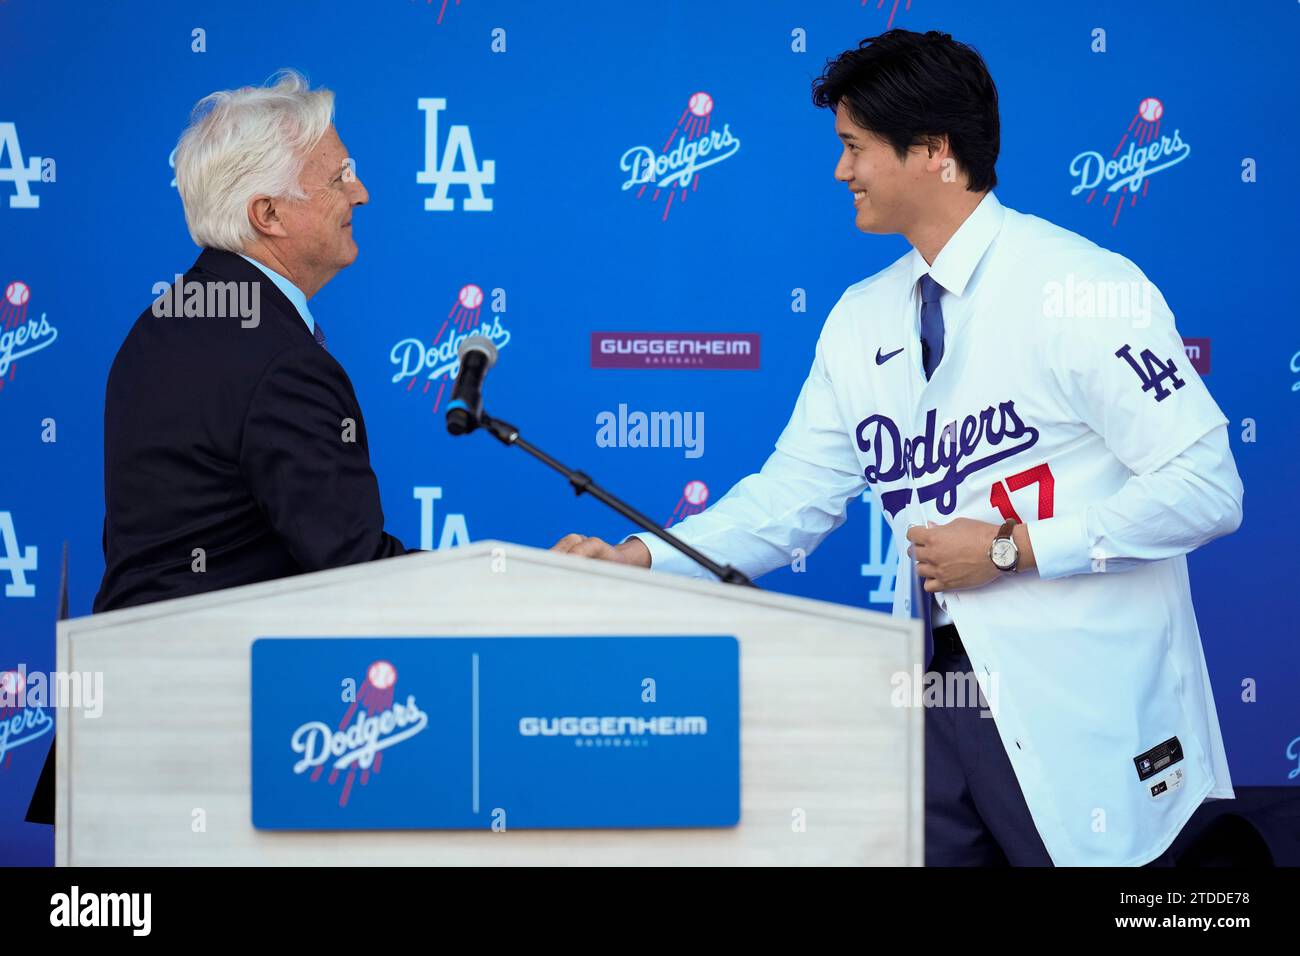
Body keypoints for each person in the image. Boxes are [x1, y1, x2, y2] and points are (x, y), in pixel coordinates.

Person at [552, 30, 1244, 867]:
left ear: (934, 152)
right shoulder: (860, 317)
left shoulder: (1080, 287)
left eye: (854, 147)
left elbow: (1207, 485)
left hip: (1091, 701)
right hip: (943, 698)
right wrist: (646, 559)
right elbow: (791, 498)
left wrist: (1010, 547)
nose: (840, 171)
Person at [94, 70, 412, 613]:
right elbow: (357, 574)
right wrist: (525, 580)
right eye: (339, 178)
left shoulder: (160, 324)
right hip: (227, 685)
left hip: (137, 669)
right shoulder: (281, 360)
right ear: (268, 214)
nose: (361, 193)